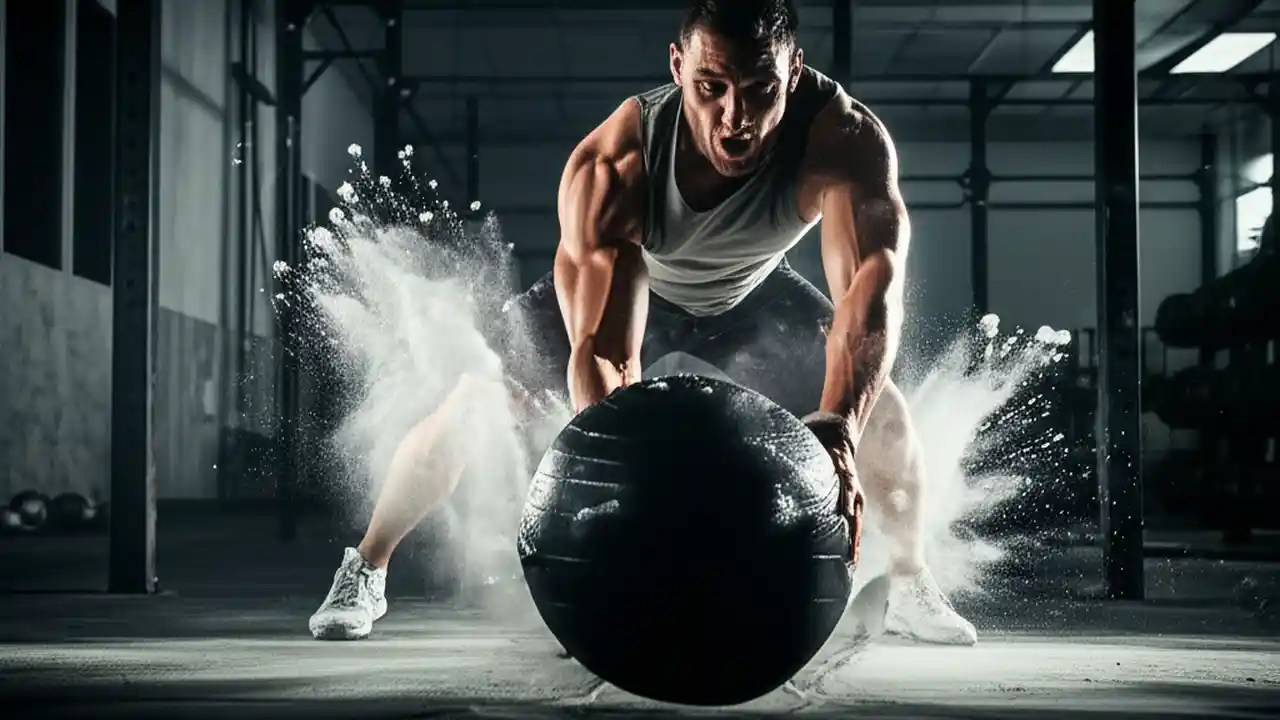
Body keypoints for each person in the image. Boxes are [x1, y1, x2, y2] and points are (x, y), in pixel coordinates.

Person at [309, 0, 978, 647]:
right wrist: (615, 480)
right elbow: (602, 351)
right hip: (641, 293)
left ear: (794, 71)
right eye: (711, 88)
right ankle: (367, 566)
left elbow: (870, 291)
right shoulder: (616, 164)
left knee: (880, 416)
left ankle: (911, 582)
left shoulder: (844, 139)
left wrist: (836, 429)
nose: (734, 117)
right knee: (474, 402)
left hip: (749, 294)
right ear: (677, 66)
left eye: (759, 89)